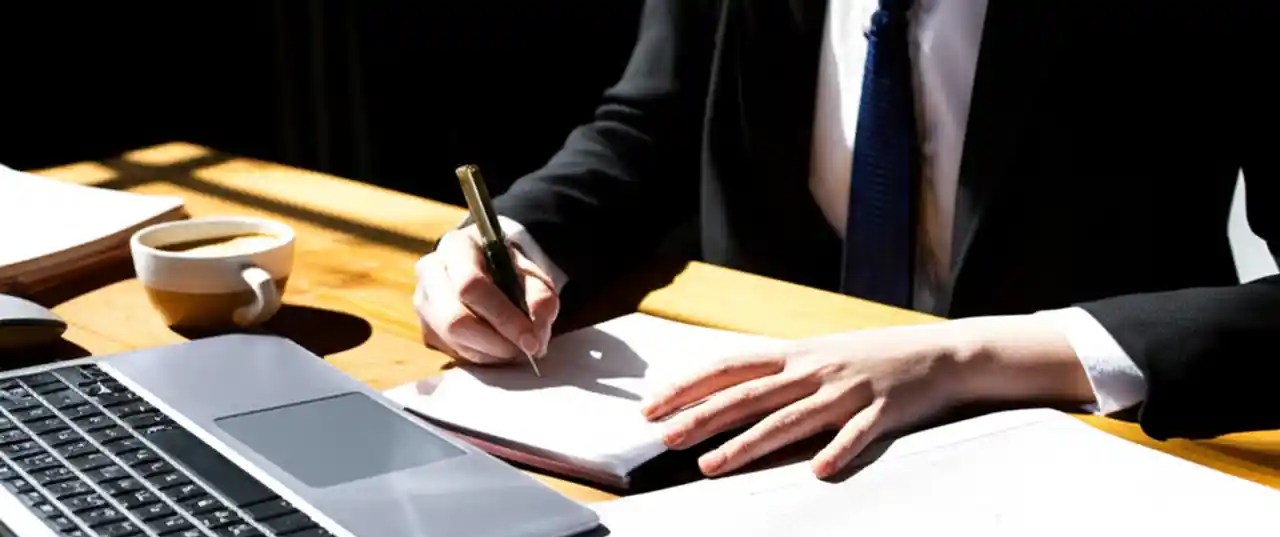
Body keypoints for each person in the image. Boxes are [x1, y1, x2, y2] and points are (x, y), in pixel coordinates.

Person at [415, 0, 1279, 479]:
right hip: (759, 455)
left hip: (1096, 452)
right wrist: (518, 240)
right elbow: (651, 127)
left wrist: (966, 359)